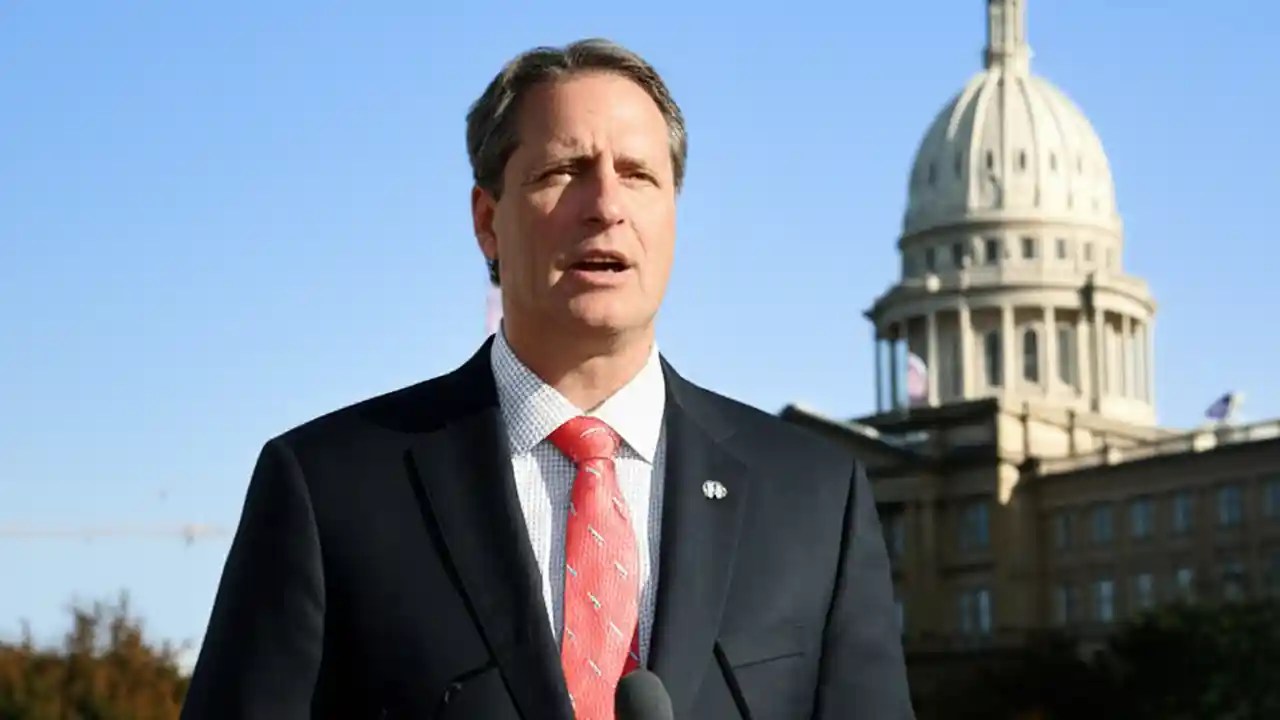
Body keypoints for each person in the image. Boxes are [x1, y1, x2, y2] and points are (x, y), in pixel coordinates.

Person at [181, 37, 914, 720]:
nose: (605, 206)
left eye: (638, 175)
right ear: (486, 220)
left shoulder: (816, 501)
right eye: (563, 172)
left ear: (674, 215)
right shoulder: (327, 488)